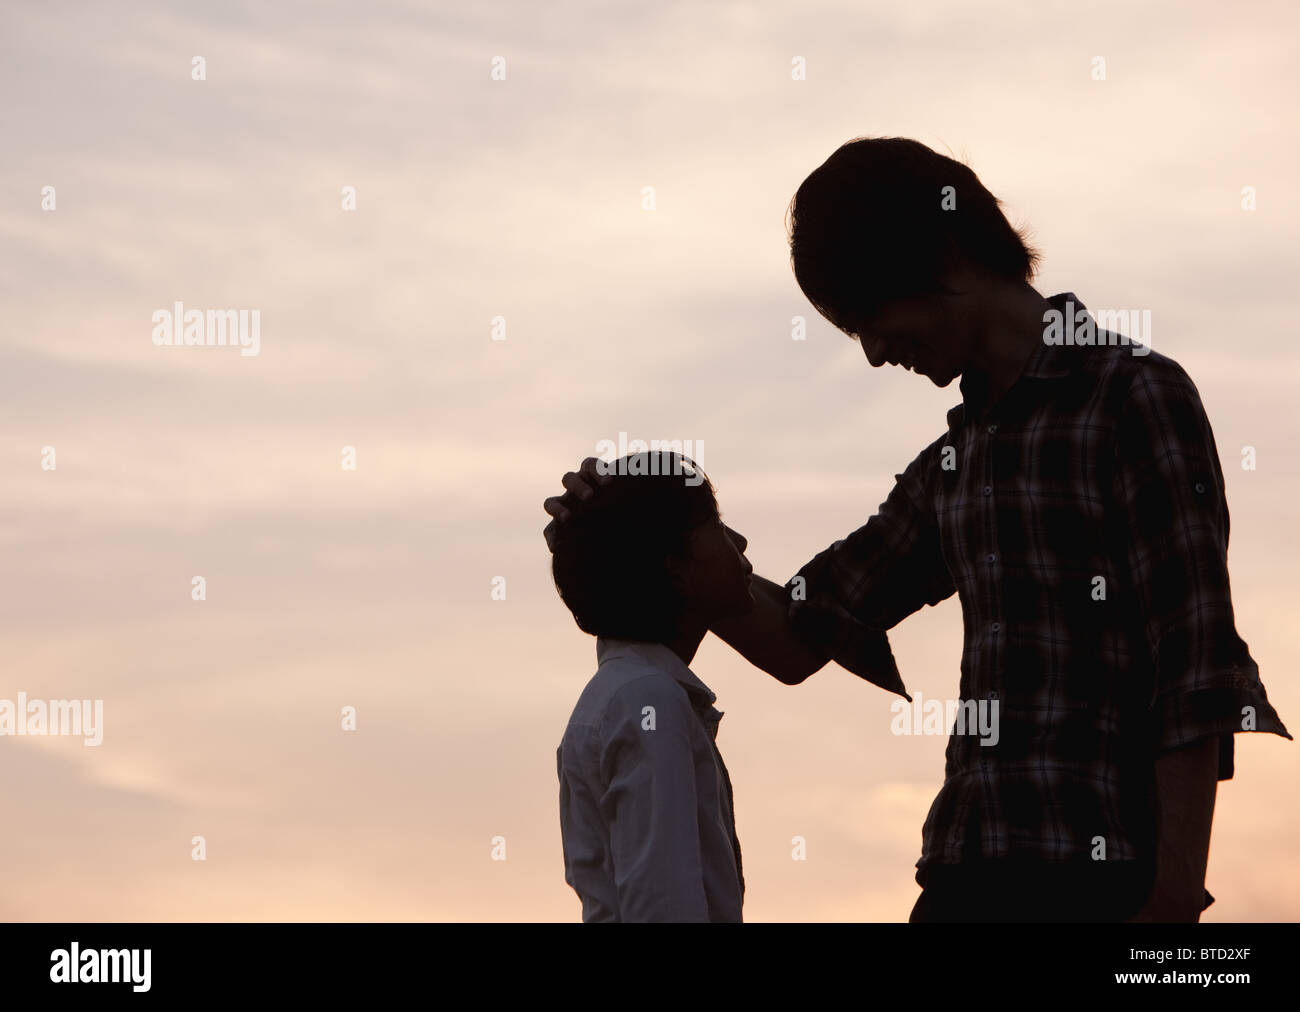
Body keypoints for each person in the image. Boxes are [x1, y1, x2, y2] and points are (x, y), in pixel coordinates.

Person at [545, 137, 1291, 922]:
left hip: (1095, 880)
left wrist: (1172, 899)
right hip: (963, 877)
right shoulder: (954, 464)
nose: (871, 353)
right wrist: (638, 542)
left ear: (942, 254)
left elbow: (1194, 663)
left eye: (871, 316)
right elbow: (798, 636)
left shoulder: (1135, 400)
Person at [552, 451, 755, 921]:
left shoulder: (623, 695)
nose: (739, 540)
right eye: (716, 525)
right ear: (675, 565)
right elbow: (664, 906)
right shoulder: (649, 700)